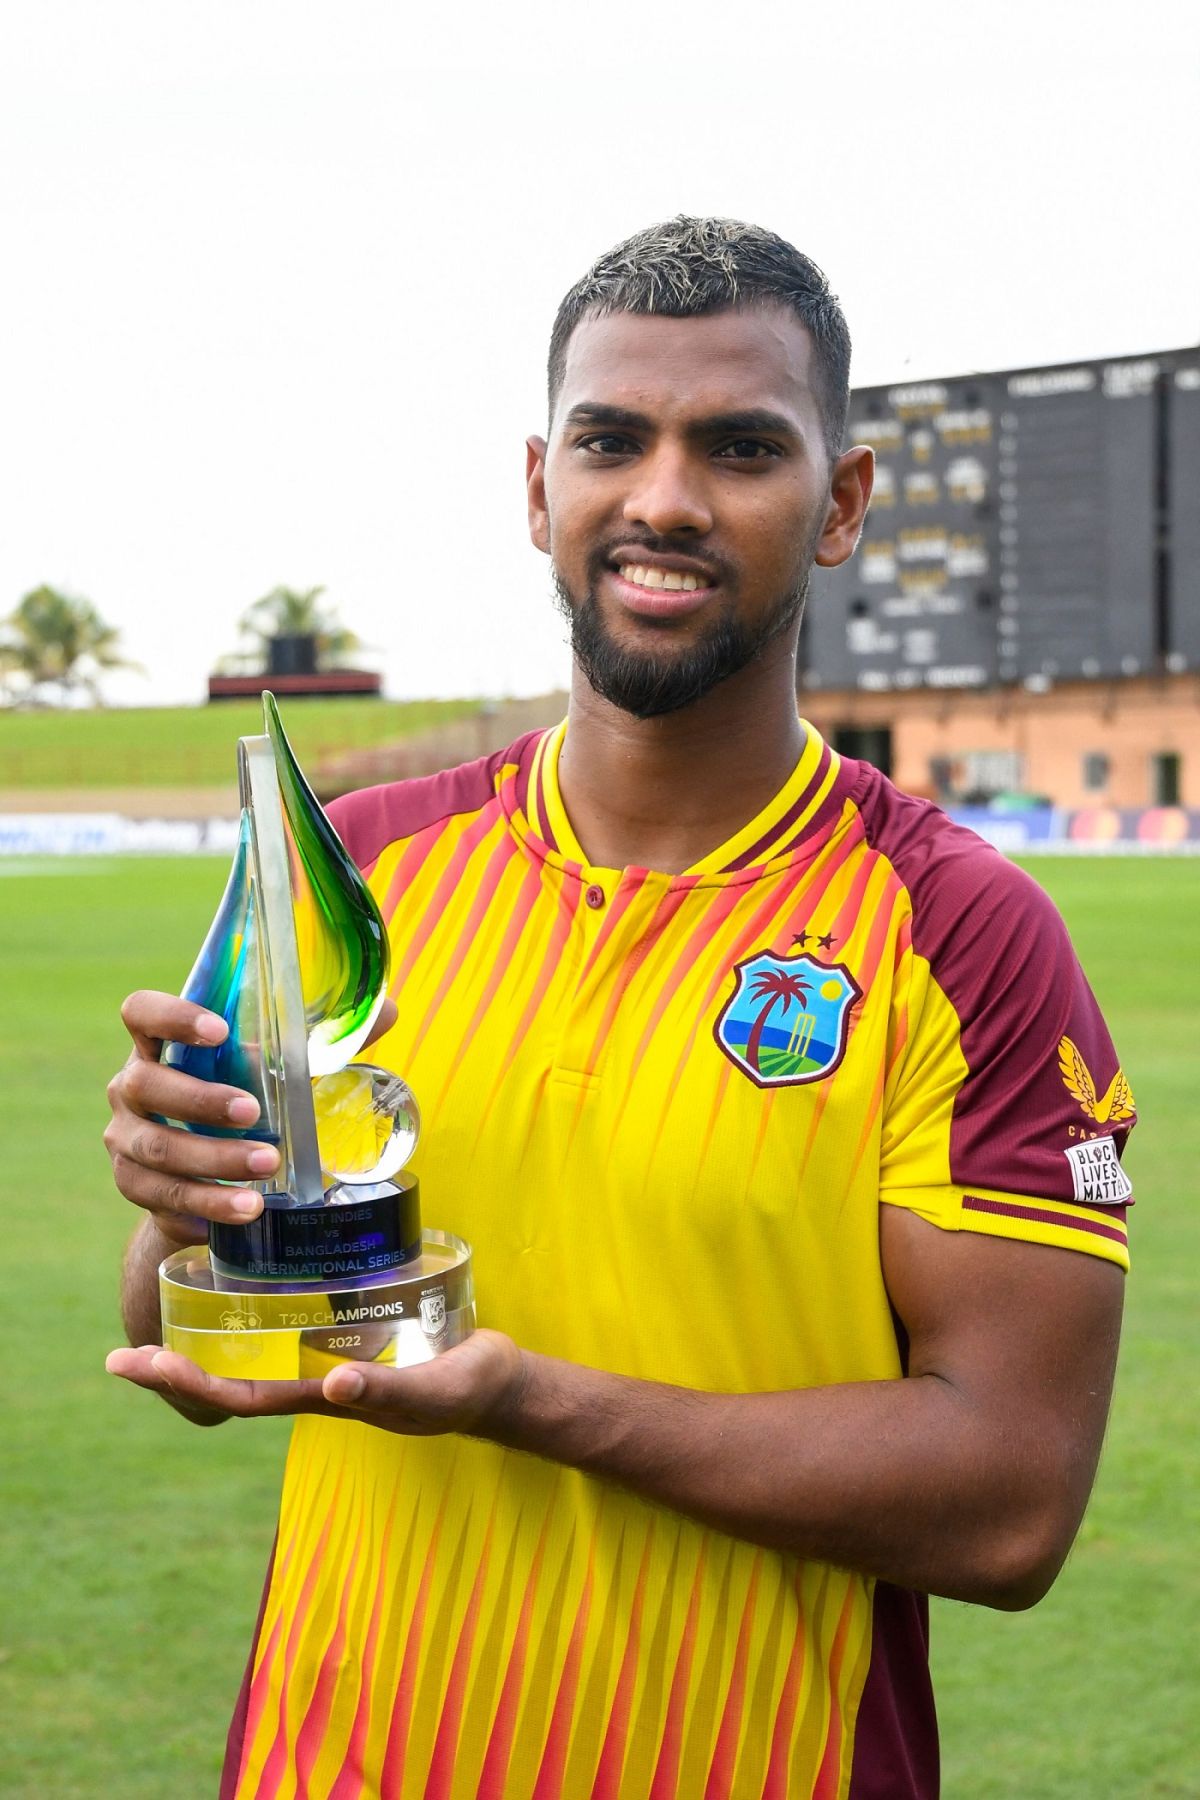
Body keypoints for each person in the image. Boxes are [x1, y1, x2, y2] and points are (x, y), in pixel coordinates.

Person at [104, 217, 1136, 1800]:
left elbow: (1007, 1507)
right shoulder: (362, 872)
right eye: (611, 440)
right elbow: (176, 1309)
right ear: (540, 489)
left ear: (842, 503)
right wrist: (177, 1204)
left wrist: (535, 1401)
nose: (663, 499)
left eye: (738, 446)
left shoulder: (959, 933)